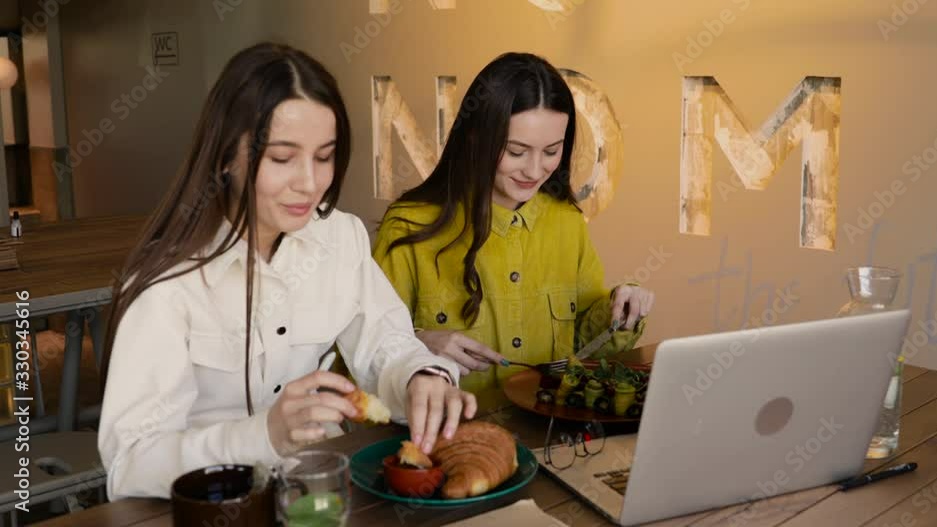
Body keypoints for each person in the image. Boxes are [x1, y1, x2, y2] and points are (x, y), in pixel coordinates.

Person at [98, 42, 474, 500]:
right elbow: (130, 464)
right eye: (281, 158)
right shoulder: (170, 283)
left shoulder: (340, 238)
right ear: (225, 157)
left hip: (318, 496)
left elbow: (384, 342)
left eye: (324, 156)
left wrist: (420, 375)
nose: (310, 183)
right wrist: (264, 435)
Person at [372, 52, 655, 395]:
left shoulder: (567, 221)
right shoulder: (408, 226)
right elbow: (361, 356)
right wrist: (418, 344)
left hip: (547, 427)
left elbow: (583, 352)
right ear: (476, 138)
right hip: (451, 427)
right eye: (516, 152)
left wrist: (620, 310)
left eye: (551, 151)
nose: (534, 170)